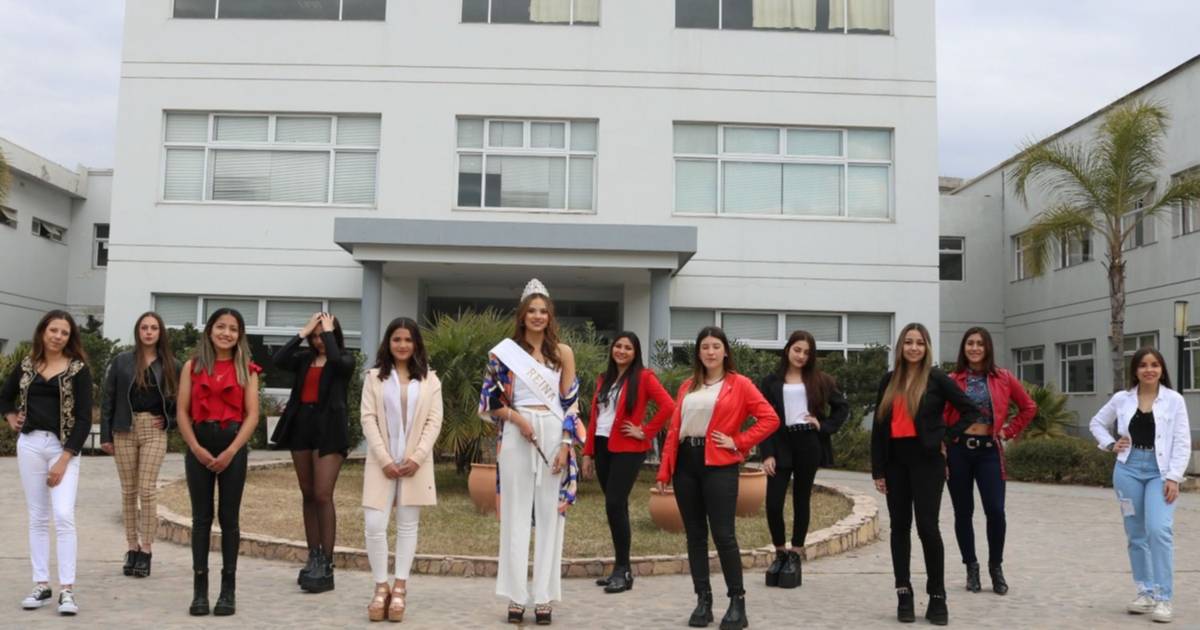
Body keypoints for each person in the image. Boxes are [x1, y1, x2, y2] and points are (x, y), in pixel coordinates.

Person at [656, 326, 779, 630]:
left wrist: (739, 441)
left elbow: (770, 418)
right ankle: (703, 600)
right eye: (704, 347)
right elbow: (674, 432)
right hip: (686, 463)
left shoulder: (740, 384)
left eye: (715, 346)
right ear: (698, 352)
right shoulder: (687, 386)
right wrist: (664, 470)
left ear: (725, 351)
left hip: (720, 465)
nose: (710, 352)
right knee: (695, 535)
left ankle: (737, 602)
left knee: (724, 535)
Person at [479, 279, 584, 625]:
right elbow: (491, 401)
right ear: (522, 316)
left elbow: (571, 404)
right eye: (531, 311)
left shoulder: (563, 353)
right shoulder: (504, 353)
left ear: (549, 316)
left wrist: (567, 446)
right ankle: (515, 596)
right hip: (517, 431)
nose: (537, 316)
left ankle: (544, 597)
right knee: (515, 513)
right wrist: (517, 419)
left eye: (543, 311)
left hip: (554, 433)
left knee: (551, 517)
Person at [870, 322, 980, 626]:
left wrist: (945, 437)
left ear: (926, 347)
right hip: (895, 463)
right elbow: (879, 429)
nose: (914, 347)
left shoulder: (937, 379)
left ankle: (937, 596)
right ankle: (903, 593)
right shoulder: (889, 381)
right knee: (899, 528)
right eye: (909, 342)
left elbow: (971, 410)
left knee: (928, 528)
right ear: (901, 347)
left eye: (919, 342)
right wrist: (877, 469)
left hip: (927, 463)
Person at [1089, 347, 1191, 624]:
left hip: (1160, 473)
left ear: (1161, 369)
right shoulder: (1123, 399)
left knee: (1159, 531)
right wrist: (1111, 444)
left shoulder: (1174, 400)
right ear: (1135, 370)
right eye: (1143, 365)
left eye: (1155, 365)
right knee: (1136, 533)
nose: (1149, 369)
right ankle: (1144, 592)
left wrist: (1174, 477)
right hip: (1128, 470)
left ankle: (1163, 597)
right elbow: (1097, 423)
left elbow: (1182, 441)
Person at [0, 310, 92, 616]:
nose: (58, 336)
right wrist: (11, 416)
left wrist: (64, 459)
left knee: (63, 515)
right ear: (43, 331)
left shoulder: (78, 369)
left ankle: (67, 589)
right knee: (38, 516)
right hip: (30, 445)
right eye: (53, 330)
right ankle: (41, 584)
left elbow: (83, 419)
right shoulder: (26, 365)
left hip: (62, 449)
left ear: (70, 338)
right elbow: (4, 396)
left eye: (64, 333)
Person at [176, 308, 261, 616]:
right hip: (199, 443)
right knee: (201, 519)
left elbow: (253, 415)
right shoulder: (192, 366)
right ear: (210, 330)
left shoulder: (247, 369)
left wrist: (232, 451)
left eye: (233, 328)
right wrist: (196, 448)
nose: (226, 333)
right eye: (221, 327)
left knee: (229, 519)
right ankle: (200, 590)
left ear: (240, 335)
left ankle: (228, 590)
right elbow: (182, 412)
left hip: (233, 445)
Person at [361, 317, 443, 622]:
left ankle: (400, 587)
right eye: (397, 339)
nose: (403, 345)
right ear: (388, 342)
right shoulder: (373, 378)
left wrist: (417, 458)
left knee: (408, 527)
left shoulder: (431, 381)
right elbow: (367, 418)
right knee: (374, 525)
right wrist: (384, 459)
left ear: (416, 344)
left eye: (408, 340)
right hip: (381, 464)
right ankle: (380, 586)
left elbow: (434, 422)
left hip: (414, 465)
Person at [943, 327, 1036, 595]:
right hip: (959, 451)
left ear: (987, 348)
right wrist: (943, 441)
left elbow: (1028, 407)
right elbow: (939, 413)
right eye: (970, 343)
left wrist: (1008, 431)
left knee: (995, 511)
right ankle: (971, 567)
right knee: (963, 512)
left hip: (989, 452)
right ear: (964, 348)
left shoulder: (1003, 377)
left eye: (979, 344)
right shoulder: (952, 378)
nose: (974, 348)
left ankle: (996, 566)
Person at [581, 332, 675, 593]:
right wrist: (587, 454)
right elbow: (594, 419)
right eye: (618, 346)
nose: (622, 351)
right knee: (616, 506)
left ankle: (623, 569)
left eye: (628, 348)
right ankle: (621, 569)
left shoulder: (644, 377)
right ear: (612, 349)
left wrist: (645, 431)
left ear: (635, 353)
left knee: (614, 503)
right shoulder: (604, 379)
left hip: (628, 448)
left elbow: (669, 405)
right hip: (602, 446)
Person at [758, 330, 849, 589]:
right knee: (774, 503)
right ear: (788, 349)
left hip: (808, 442)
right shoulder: (770, 381)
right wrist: (767, 453)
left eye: (807, 352)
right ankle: (779, 553)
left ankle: (795, 554)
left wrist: (824, 425)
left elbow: (842, 407)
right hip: (780, 443)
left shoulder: (820, 380)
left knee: (801, 499)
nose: (801, 355)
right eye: (797, 349)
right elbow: (763, 417)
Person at [270, 312, 354, 593]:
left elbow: (338, 364)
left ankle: (327, 562)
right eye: (316, 336)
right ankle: (313, 555)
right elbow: (278, 360)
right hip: (301, 427)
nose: (319, 340)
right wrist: (302, 332)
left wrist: (329, 333)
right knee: (307, 494)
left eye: (323, 335)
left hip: (329, 429)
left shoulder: (343, 359)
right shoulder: (305, 359)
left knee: (322, 494)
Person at [100, 311, 180, 579]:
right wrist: (105, 436)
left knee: (146, 489)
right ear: (138, 331)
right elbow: (108, 398)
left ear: (160, 332)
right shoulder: (122, 361)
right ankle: (131, 548)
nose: (148, 332)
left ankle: (146, 550)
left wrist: (171, 421)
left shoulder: (171, 364)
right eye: (144, 327)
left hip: (153, 430)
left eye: (154, 328)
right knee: (128, 491)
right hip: (124, 428)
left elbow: (183, 400)